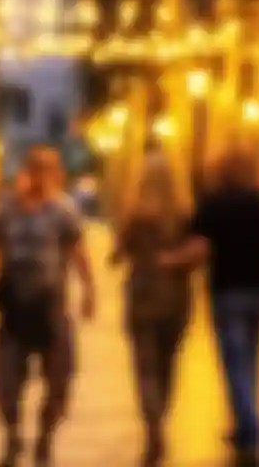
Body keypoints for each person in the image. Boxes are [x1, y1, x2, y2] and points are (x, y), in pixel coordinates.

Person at [161, 148, 259, 461]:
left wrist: (168, 262)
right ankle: (242, 424)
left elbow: (199, 250)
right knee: (249, 361)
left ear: (219, 174)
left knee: (235, 363)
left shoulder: (211, 205)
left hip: (228, 293)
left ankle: (251, 431)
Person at [0, 146, 96, 467]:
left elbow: (77, 249)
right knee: (7, 382)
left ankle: (44, 438)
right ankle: (13, 438)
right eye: (36, 168)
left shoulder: (63, 210)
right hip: (14, 310)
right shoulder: (6, 210)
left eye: (47, 169)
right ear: (27, 170)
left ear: (55, 173)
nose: (41, 176)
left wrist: (89, 289)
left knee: (58, 380)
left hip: (51, 309)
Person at [111, 151, 193, 466]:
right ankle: (160, 419)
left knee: (145, 367)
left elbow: (117, 254)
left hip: (142, 296)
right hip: (176, 297)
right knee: (167, 364)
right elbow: (197, 253)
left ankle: (153, 426)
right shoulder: (185, 215)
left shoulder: (135, 217)